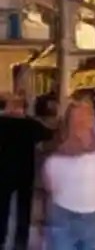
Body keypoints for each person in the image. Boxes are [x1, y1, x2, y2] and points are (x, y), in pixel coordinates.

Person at [43, 98, 95, 250]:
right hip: (62, 215)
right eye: (77, 118)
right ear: (69, 122)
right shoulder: (57, 148)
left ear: (93, 120)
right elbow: (49, 180)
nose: (81, 121)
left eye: (86, 116)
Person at [0, 92, 54, 250]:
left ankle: (1, 239)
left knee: (2, 207)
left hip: (3, 172)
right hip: (25, 171)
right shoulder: (30, 124)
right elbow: (48, 134)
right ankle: (20, 241)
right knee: (23, 209)